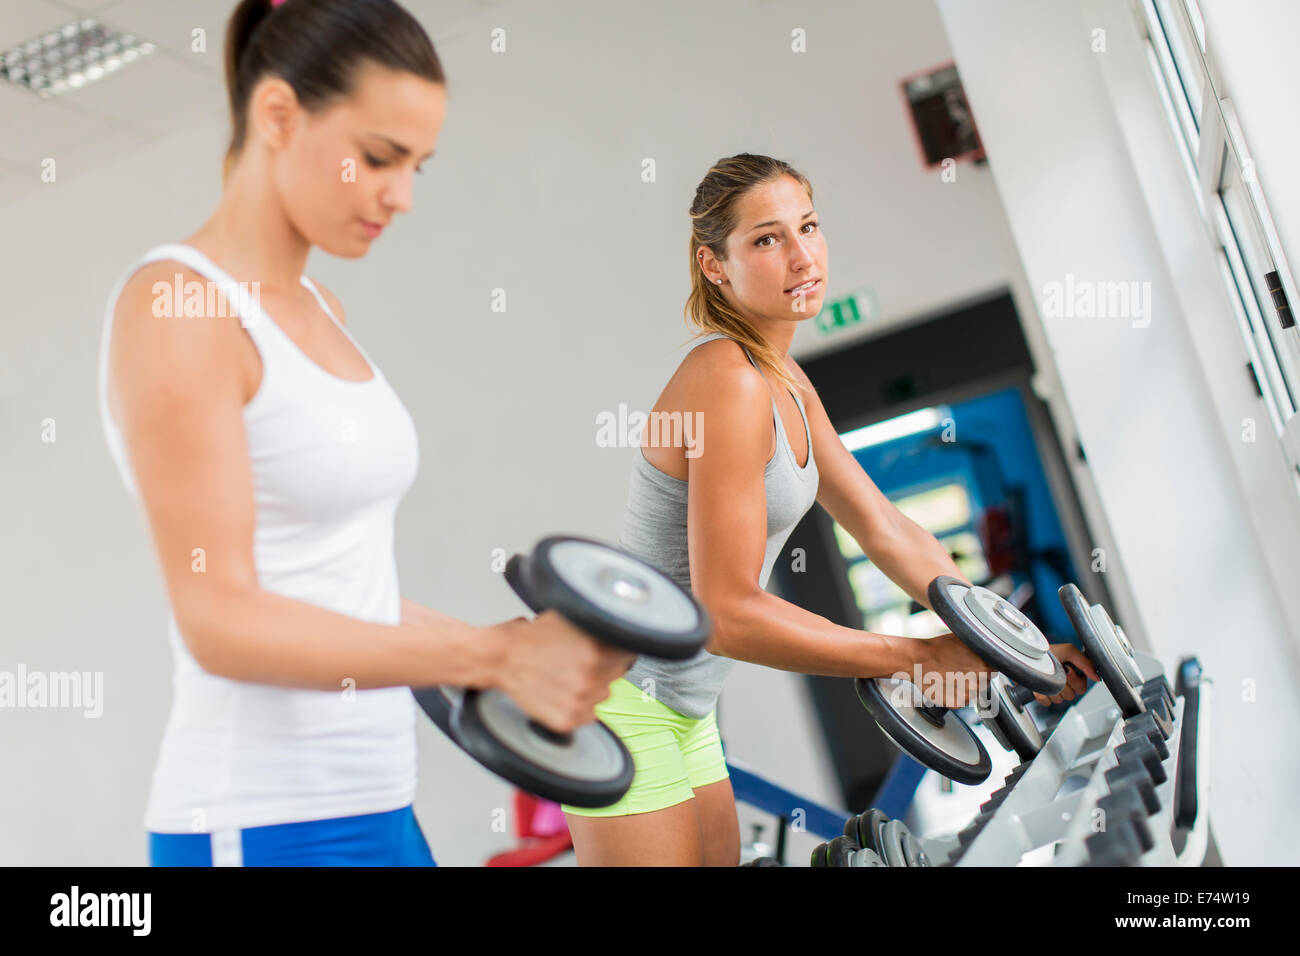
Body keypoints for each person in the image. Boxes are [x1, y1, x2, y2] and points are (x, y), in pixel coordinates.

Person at [97, 0, 629, 867]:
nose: (402, 196)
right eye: (379, 158)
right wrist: (488, 657)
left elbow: (334, 584)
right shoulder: (178, 308)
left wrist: (516, 651)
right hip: (260, 823)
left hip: (383, 802)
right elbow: (218, 619)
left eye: (417, 165)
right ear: (277, 114)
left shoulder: (320, 310)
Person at [561, 153, 1100, 866]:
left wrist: (1015, 651)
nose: (800, 254)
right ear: (714, 265)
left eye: (808, 227)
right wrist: (915, 656)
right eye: (766, 239)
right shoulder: (726, 382)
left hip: (684, 709)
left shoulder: (783, 380)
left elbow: (886, 528)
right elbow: (727, 612)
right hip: (622, 706)